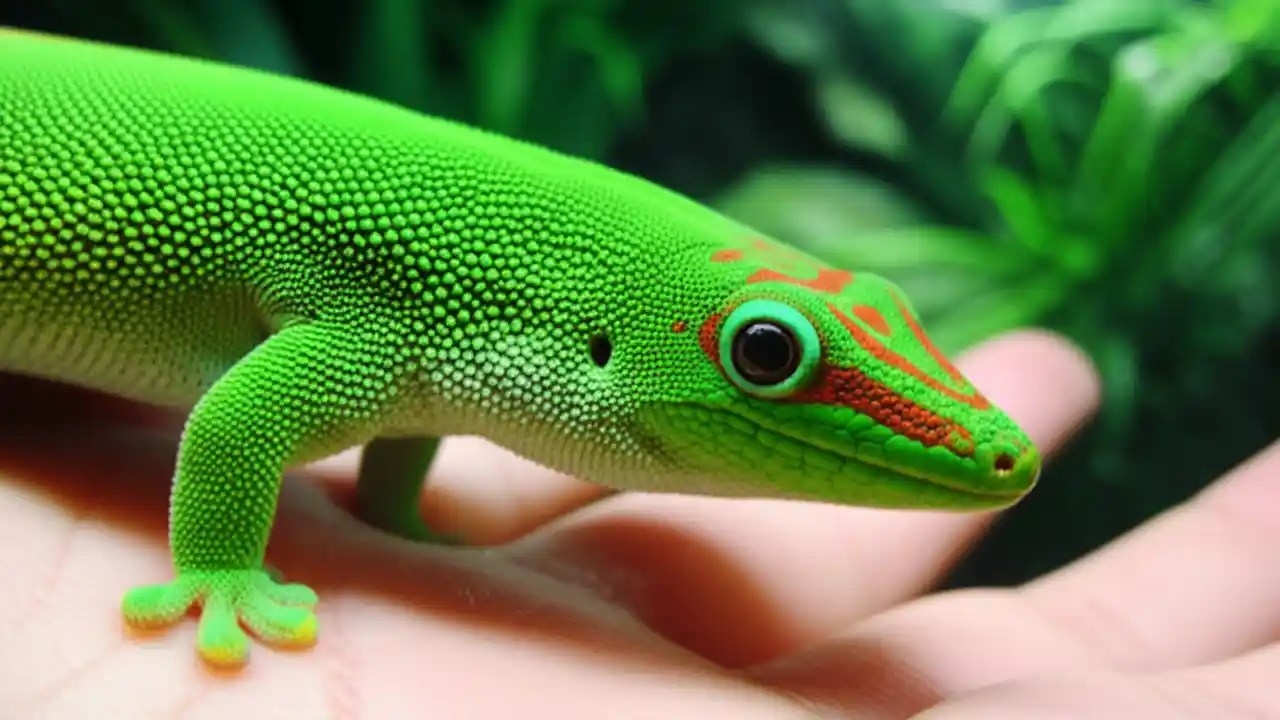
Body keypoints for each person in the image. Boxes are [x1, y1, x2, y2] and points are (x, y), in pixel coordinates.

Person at [1, 330, 1274, 718]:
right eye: (770, 355)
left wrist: (390, 507)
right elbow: (233, 428)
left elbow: (414, 392)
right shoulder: (417, 332)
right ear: (596, 342)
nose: (969, 437)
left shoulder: (432, 346)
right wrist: (221, 564)